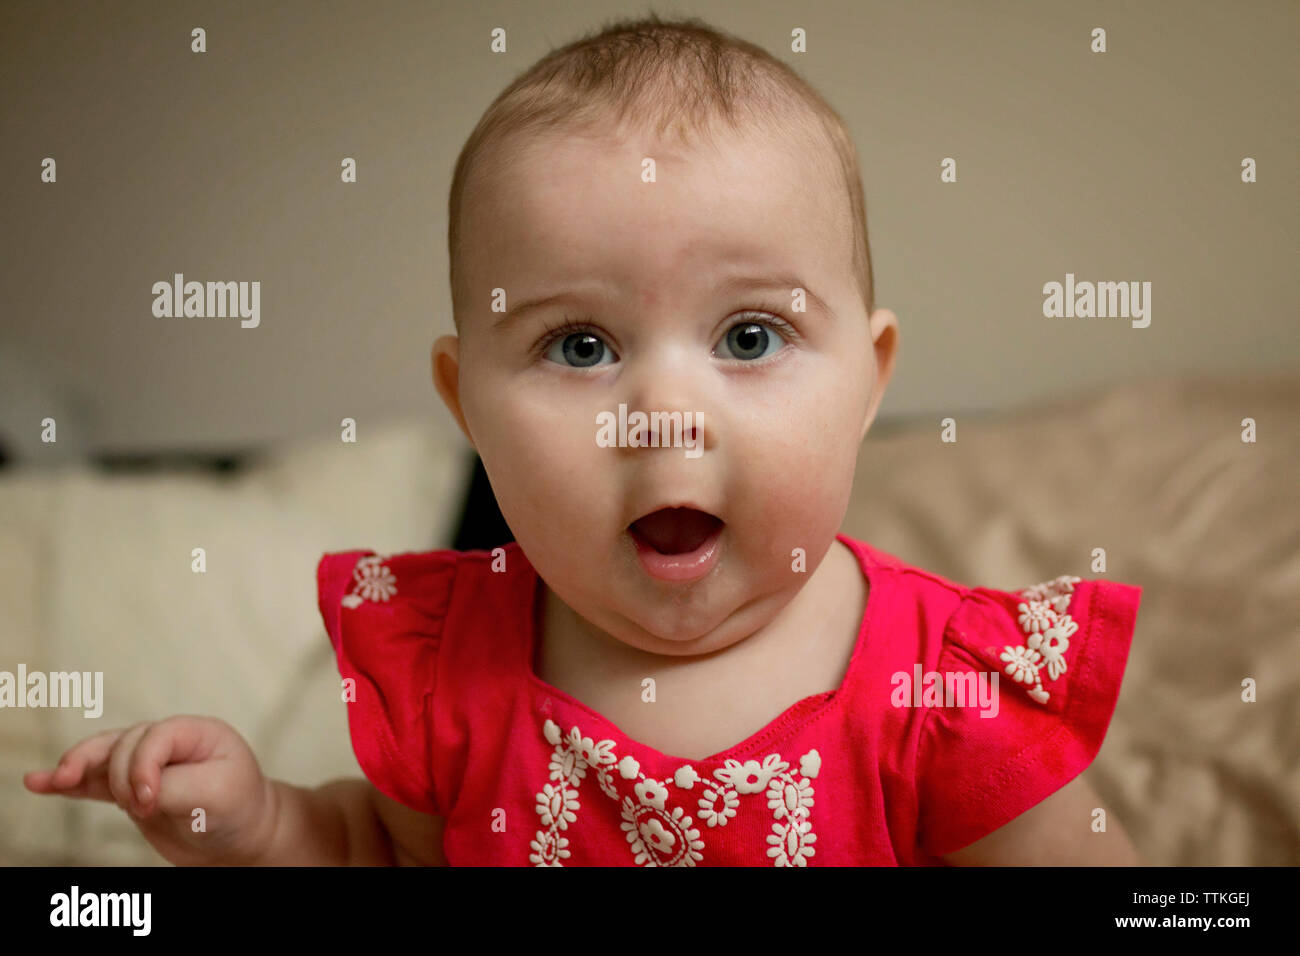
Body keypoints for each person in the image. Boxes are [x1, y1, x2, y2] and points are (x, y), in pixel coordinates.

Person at [24, 13, 1142, 866]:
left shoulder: (948, 688)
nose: (666, 413)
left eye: (750, 334)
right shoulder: (451, 666)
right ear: (467, 407)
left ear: (868, 381)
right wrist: (261, 820)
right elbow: (379, 850)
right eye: (578, 346)